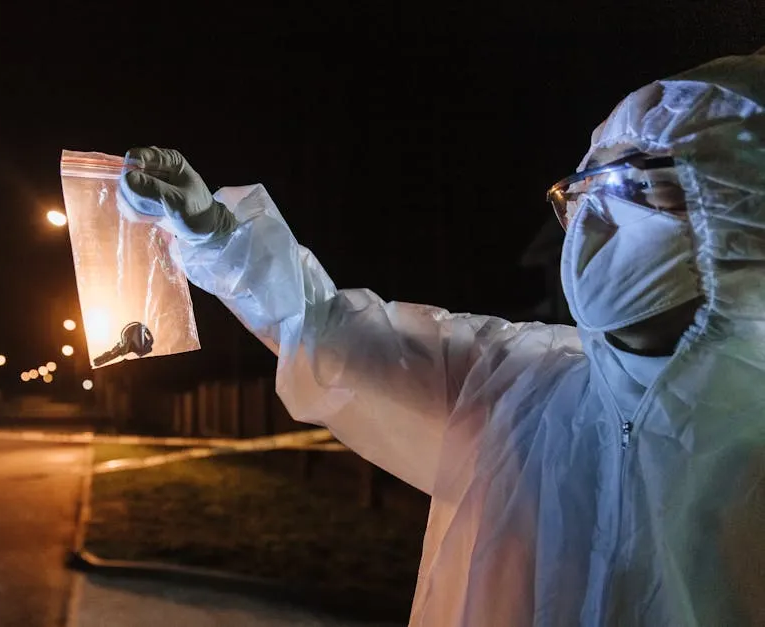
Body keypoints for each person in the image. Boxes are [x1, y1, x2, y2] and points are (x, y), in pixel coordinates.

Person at [116, 49, 765, 626]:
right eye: (582, 189)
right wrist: (218, 239)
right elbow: (331, 337)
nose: (594, 213)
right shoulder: (523, 389)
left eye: (637, 183)